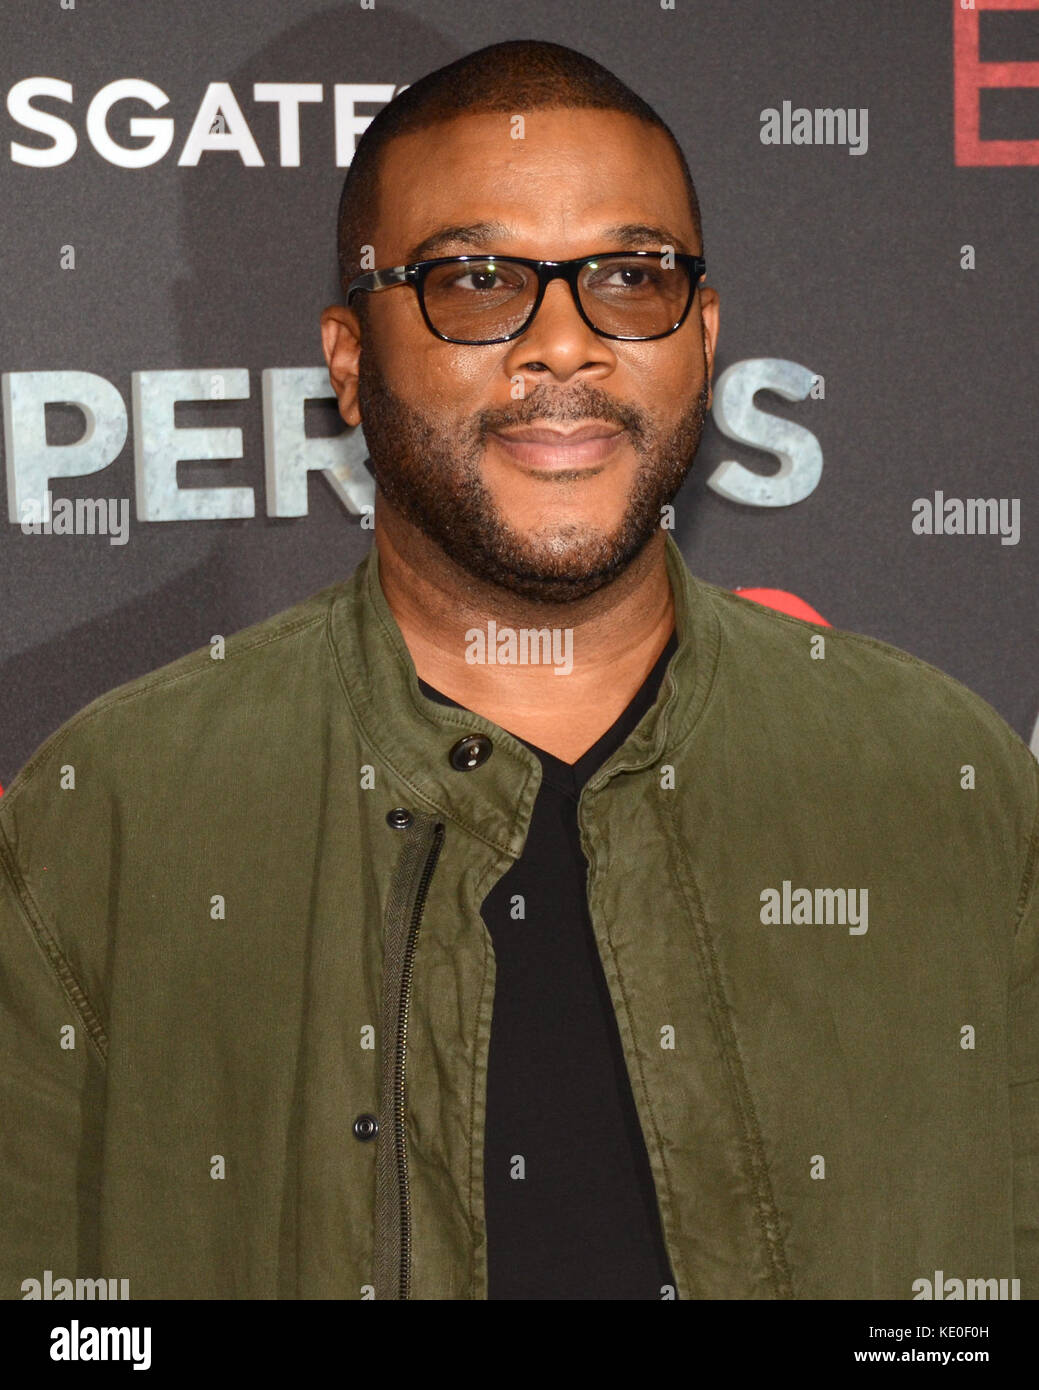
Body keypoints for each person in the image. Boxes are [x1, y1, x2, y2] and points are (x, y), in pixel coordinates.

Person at [1, 38, 1036, 1303]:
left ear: (702, 340)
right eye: (478, 280)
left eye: (630, 277)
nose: (565, 347)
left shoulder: (944, 780)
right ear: (346, 361)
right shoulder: (115, 810)